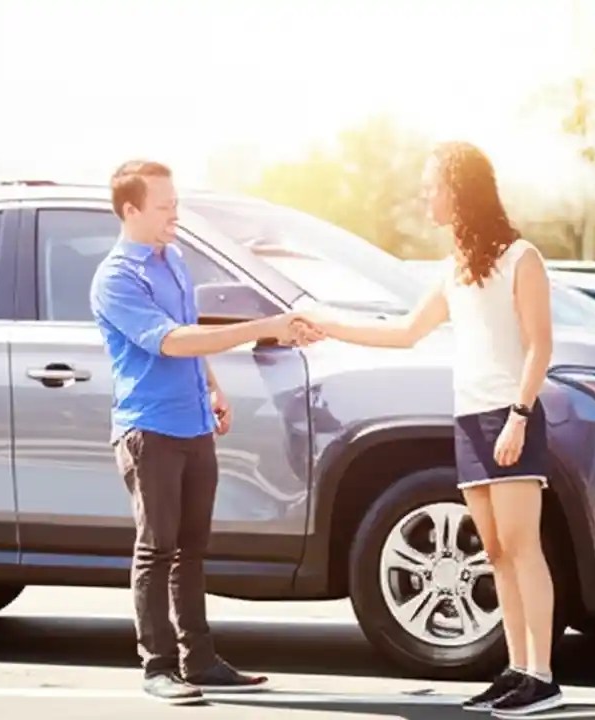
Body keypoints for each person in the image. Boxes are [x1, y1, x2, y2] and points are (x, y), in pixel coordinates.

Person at [301, 141, 562, 717]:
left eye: (432, 187)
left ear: (459, 189)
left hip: (509, 417)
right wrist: (327, 326)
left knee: (522, 548)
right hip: (469, 420)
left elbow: (540, 344)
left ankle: (542, 676)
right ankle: (516, 669)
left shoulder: (524, 258)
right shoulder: (454, 270)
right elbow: (403, 333)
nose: (425, 197)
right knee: (494, 552)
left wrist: (519, 416)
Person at [89, 159, 324, 705]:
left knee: (192, 550)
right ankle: (158, 666)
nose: (176, 213)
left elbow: (190, 333)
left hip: (193, 423)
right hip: (149, 429)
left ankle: (200, 659)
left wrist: (213, 388)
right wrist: (264, 329)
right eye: (164, 206)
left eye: (175, 203)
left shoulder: (172, 260)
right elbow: (169, 341)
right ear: (131, 210)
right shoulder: (117, 277)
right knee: (157, 548)